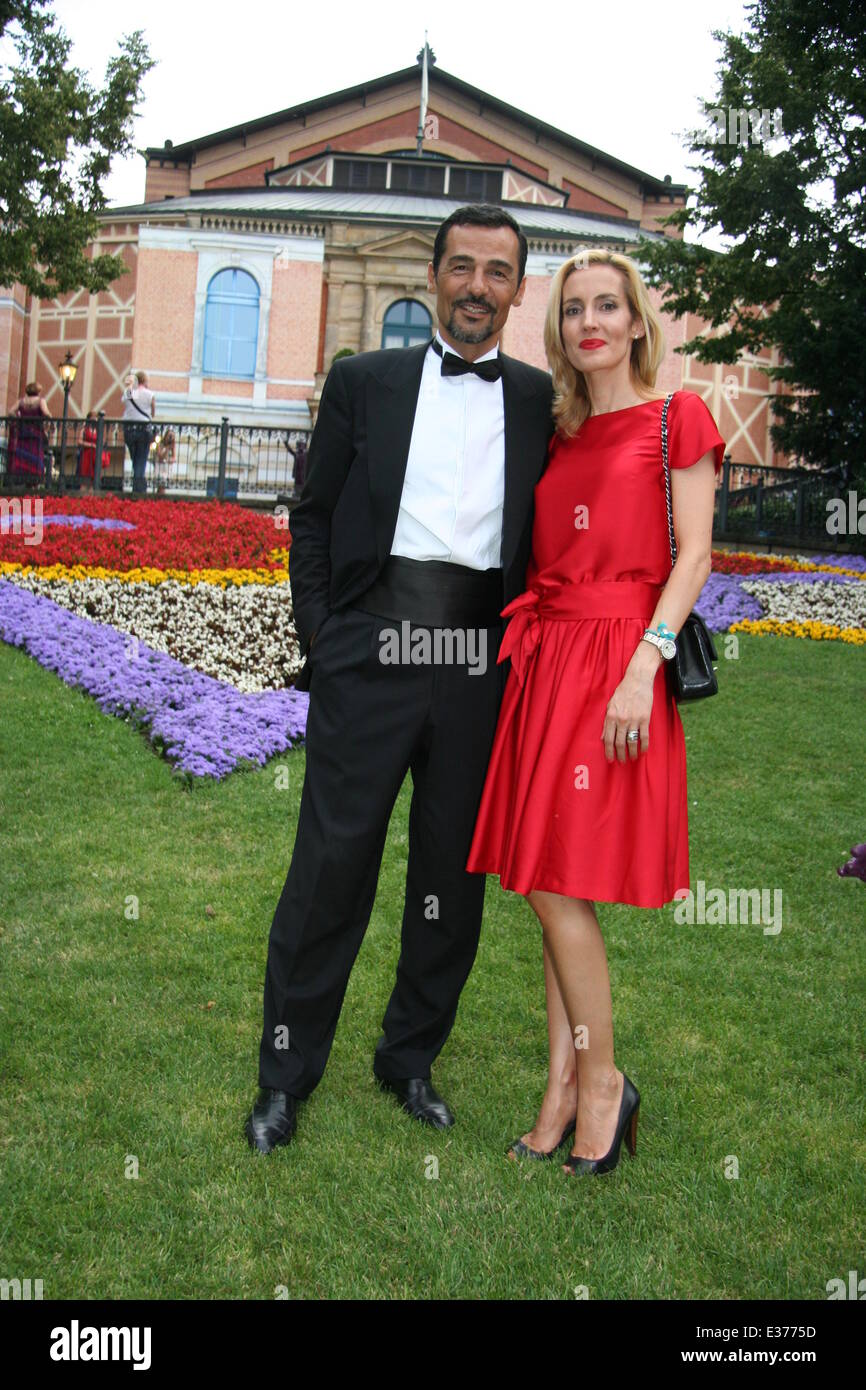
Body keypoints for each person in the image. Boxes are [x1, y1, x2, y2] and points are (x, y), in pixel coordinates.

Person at [246, 204, 554, 1154]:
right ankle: (286, 1077)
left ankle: (408, 1058)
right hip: (372, 652)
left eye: (497, 272)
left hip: (476, 667)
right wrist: (324, 638)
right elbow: (312, 513)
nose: (476, 287)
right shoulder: (363, 381)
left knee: (450, 879)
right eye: (461, 267)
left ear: (515, 289)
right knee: (331, 869)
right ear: (434, 277)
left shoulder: (541, 401)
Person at [466, 249, 725, 1177]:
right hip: (547, 664)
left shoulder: (675, 417)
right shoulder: (563, 436)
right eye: (574, 309)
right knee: (550, 880)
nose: (591, 323)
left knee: (554, 883)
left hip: (619, 658)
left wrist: (642, 667)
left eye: (608, 306)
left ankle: (602, 1081)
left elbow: (694, 555)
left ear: (637, 319)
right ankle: (564, 1084)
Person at [121, 370, 155, 495]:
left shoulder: (130, 393)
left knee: (135, 458)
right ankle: (139, 488)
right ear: (145, 381)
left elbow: (125, 401)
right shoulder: (149, 394)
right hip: (143, 429)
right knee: (141, 459)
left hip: (129, 429)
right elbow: (153, 411)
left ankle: (139, 484)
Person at [8, 382, 51, 479]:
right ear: (38, 391)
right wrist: (48, 419)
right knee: (35, 455)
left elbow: (10, 412)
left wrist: (18, 419)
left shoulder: (21, 401)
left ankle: (21, 476)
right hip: (35, 432)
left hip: (23, 432)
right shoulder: (40, 401)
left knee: (22, 455)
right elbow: (46, 412)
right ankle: (34, 478)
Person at [76, 415, 108, 495]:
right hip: (87, 455)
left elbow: (103, 442)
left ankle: (90, 502)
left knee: (92, 482)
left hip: (94, 456)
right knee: (84, 481)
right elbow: (79, 441)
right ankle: (81, 501)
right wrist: (91, 445)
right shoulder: (84, 430)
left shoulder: (98, 431)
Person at [153, 427, 175, 496]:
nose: (170, 438)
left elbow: (174, 457)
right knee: (160, 486)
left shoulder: (173, 446)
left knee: (163, 486)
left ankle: (161, 500)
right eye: (169, 436)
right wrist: (167, 448)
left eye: (172, 436)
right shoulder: (160, 445)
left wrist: (169, 460)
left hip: (167, 467)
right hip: (160, 467)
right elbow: (160, 456)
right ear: (166, 436)